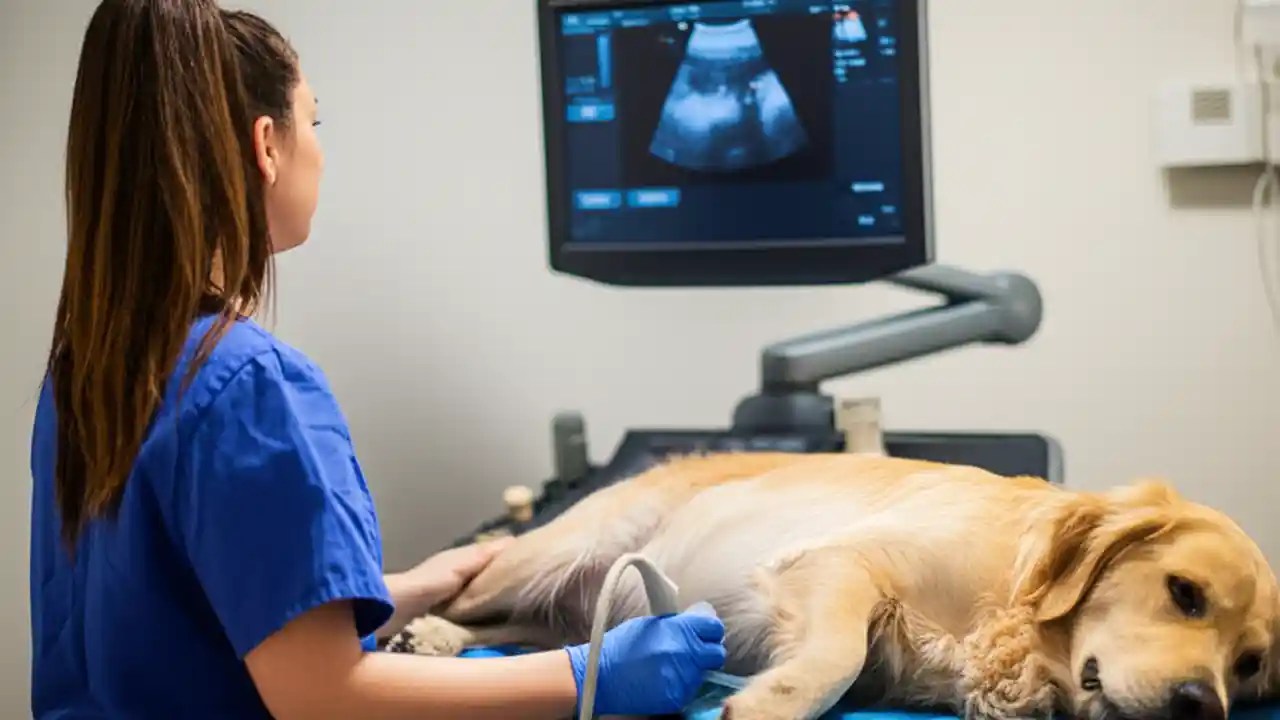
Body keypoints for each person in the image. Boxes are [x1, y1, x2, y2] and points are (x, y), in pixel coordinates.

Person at [28, 1, 727, 718]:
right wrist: (590, 674)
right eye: (315, 120)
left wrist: (403, 591)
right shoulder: (249, 389)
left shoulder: (87, 370)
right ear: (266, 144)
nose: (320, 149)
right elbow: (323, 694)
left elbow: (192, 628)